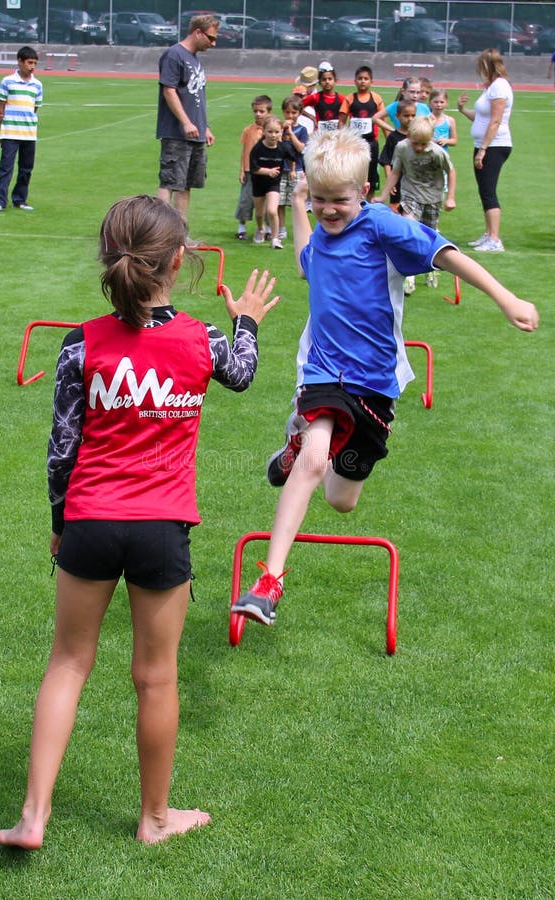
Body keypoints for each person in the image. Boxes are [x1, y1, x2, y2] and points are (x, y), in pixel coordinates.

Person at [0, 195, 279, 849]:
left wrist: (58, 521)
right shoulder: (204, 339)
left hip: (89, 523)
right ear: (179, 261)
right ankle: (154, 821)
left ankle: (33, 818)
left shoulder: (79, 344)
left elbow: (61, 448)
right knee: (155, 676)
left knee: (67, 664)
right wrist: (246, 322)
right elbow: (240, 374)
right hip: (162, 529)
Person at [230, 129, 538, 627]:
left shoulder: (380, 227)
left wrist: (506, 298)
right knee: (313, 461)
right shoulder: (323, 232)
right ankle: (270, 581)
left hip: (376, 383)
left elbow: (446, 254)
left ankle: (296, 448)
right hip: (325, 371)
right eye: (322, 200)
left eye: (340, 202)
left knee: (340, 499)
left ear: (366, 193)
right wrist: (300, 207)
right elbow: (306, 264)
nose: (330, 211)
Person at [375, 115, 456, 290]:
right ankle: (409, 275)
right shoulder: (402, 148)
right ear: (409, 136)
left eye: (423, 144)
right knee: (409, 230)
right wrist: (383, 195)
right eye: (415, 143)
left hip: (432, 197)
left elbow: (451, 171)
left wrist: (450, 197)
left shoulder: (437, 152)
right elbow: (395, 172)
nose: (419, 148)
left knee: (429, 233)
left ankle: (431, 268)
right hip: (410, 195)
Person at [156, 15, 219, 235]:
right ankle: (158, 233)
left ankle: (180, 235)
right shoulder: (174, 55)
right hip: (177, 133)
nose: (213, 43)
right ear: (198, 32)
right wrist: (185, 122)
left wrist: (205, 126)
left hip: (196, 133)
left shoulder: (195, 59)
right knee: (170, 182)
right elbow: (169, 90)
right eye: (210, 38)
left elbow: (197, 97)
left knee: (186, 185)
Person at [457, 48, 514, 253]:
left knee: (489, 191)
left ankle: (495, 239)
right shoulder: (490, 87)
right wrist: (462, 110)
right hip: (485, 144)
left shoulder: (499, 87)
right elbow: (481, 118)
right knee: (484, 190)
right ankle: (489, 233)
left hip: (495, 145)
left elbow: (495, 121)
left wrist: (483, 149)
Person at [0, 46, 42, 213]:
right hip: (10, 132)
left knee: (26, 169)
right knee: (6, 167)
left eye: (34, 63)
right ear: (20, 62)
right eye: (29, 62)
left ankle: (20, 199)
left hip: (29, 133)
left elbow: (35, 108)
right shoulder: (7, 81)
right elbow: (1, 107)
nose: (32, 66)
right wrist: (2, 130)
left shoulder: (38, 85)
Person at [338, 65, 386, 199]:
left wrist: (389, 140)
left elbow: (383, 121)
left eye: (366, 78)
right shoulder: (350, 99)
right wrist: (343, 139)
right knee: (354, 173)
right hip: (354, 144)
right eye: (360, 78)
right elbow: (341, 121)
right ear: (355, 81)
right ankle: (355, 199)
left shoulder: (376, 99)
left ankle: (369, 202)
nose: (363, 81)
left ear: (371, 81)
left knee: (371, 175)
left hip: (371, 144)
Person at [250, 115, 296, 250]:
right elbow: (254, 168)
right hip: (258, 183)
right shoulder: (258, 148)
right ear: (264, 131)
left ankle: (275, 238)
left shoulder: (283, 147)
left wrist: (292, 170)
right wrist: (268, 171)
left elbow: (292, 157)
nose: (273, 135)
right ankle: (260, 229)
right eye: (270, 132)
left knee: (271, 210)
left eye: (277, 132)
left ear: (281, 132)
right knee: (259, 214)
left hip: (273, 183)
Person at [234, 94, 273, 241]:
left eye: (261, 111)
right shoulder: (248, 130)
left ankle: (268, 228)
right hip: (251, 171)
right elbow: (245, 151)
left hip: (269, 171)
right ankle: (241, 227)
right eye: (255, 111)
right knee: (246, 200)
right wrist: (242, 170)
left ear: (268, 112)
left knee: (269, 202)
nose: (258, 114)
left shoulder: (273, 130)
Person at [378, 99, 416, 214]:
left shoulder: (418, 137)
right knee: (397, 212)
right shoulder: (393, 137)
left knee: (414, 213)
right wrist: (391, 182)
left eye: (413, 115)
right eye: (406, 115)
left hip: (414, 182)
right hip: (398, 182)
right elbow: (386, 161)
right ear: (397, 116)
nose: (410, 119)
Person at [278, 95, 308, 241]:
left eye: (294, 113)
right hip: (280, 169)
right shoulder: (279, 128)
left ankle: (299, 228)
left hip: (296, 171)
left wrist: (290, 133)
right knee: (280, 202)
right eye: (288, 112)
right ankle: (281, 228)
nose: (290, 116)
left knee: (297, 201)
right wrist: (281, 131)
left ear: (299, 113)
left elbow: (301, 148)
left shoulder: (301, 130)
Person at [303, 61, 345, 132]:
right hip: (320, 136)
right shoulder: (315, 97)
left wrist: (342, 123)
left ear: (335, 80)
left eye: (330, 79)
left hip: (336, 136)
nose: (327, 82)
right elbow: (297, 106)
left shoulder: (341, 99)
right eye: (324, 79)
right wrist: (312, 118)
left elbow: (350, 113)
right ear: (319, 82)